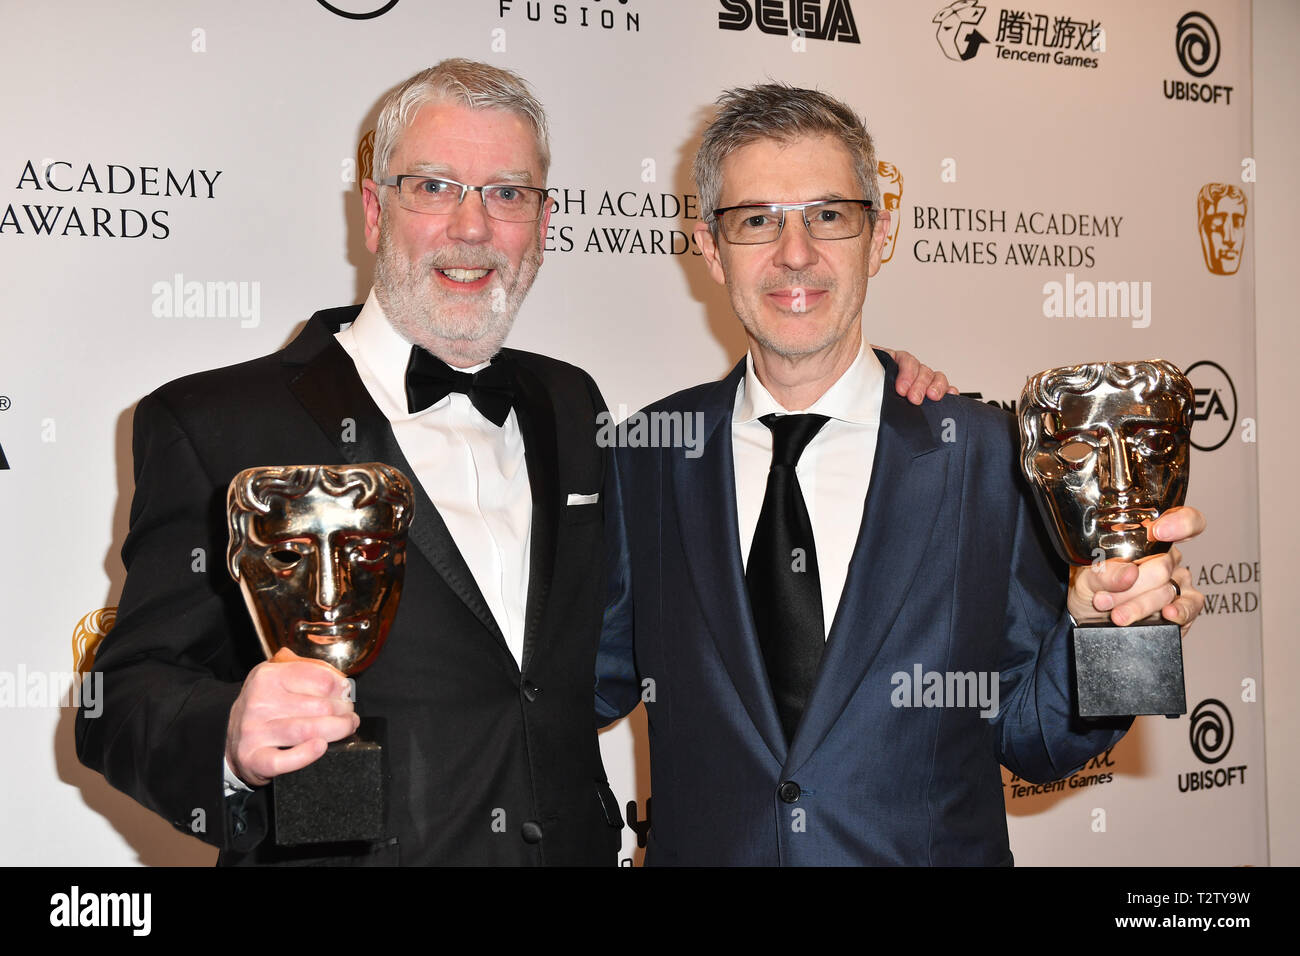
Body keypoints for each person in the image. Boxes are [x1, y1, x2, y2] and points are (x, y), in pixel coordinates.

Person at [76, 61, 947, 866]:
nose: (472, 226)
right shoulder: (215, 423)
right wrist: (230, 736)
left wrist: (867, 388)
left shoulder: (573, 407)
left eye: (508, 193)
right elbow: (120, 698)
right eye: (434, 188)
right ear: (375, 212)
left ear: (542, 225)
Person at [596, 83, 1206, 865]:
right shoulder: (645, 457)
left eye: (829, 215)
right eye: (757, 220)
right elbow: (573, 685)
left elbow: (1035, 740)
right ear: (711, 249)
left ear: (878, 235)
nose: (794, 252)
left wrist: (1118, 638)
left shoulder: (989, 456)